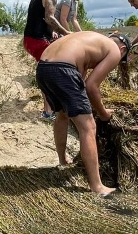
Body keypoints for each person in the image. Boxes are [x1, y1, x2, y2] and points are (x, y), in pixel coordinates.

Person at [36, 31, 130, 196]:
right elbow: (91, 86)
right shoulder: (114, 51)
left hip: (43, 68)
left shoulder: (89, 40)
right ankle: (97, 186)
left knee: (62, 115)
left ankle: (62, 160)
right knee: (88, 127)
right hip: (63, 69)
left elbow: (80, 80)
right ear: (122, 49)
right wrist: (103, 113)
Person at [23, 0, 70, 120]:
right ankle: (48, 112)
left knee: (50, 69)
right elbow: (50, 18)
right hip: (37, 41)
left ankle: (51, 108)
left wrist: (52, 33)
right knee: (50, 74)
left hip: (30, 40)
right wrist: (66, 32)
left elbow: (42, 19)